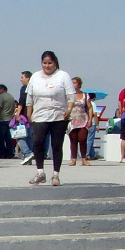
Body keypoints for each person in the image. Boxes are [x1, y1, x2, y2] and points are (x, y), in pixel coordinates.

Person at [24, 51, 75, 186]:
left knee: (56, 145)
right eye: (45, 63)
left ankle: (56, 174)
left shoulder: (63, 76)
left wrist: (69, 109)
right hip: (40, 115)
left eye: (50, 63)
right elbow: (29, 97)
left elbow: (71, 96)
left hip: (59, 115)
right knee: (38, 142)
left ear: (55, 63)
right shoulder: (35, 76)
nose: (47, 66)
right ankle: (40, 172)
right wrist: (29, 113)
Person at [67, 76, 96, 167]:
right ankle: (74, 159)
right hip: (71, 119)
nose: (73, 85)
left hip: (83, 118)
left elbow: (90, 107)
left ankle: (84, 158)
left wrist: (91, 119)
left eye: (74, 83)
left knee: (83, 139)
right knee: (73, 140)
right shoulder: (68, 95)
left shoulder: (85, 95)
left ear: (79, 84)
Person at [0, 83, 16, 159]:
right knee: (8, 138)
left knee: (0, 138)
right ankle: (10, 153)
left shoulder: (1, 97)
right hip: (9, 119)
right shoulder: (11, 97)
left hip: (2, 119)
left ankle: (1, 154)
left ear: (3, 89)